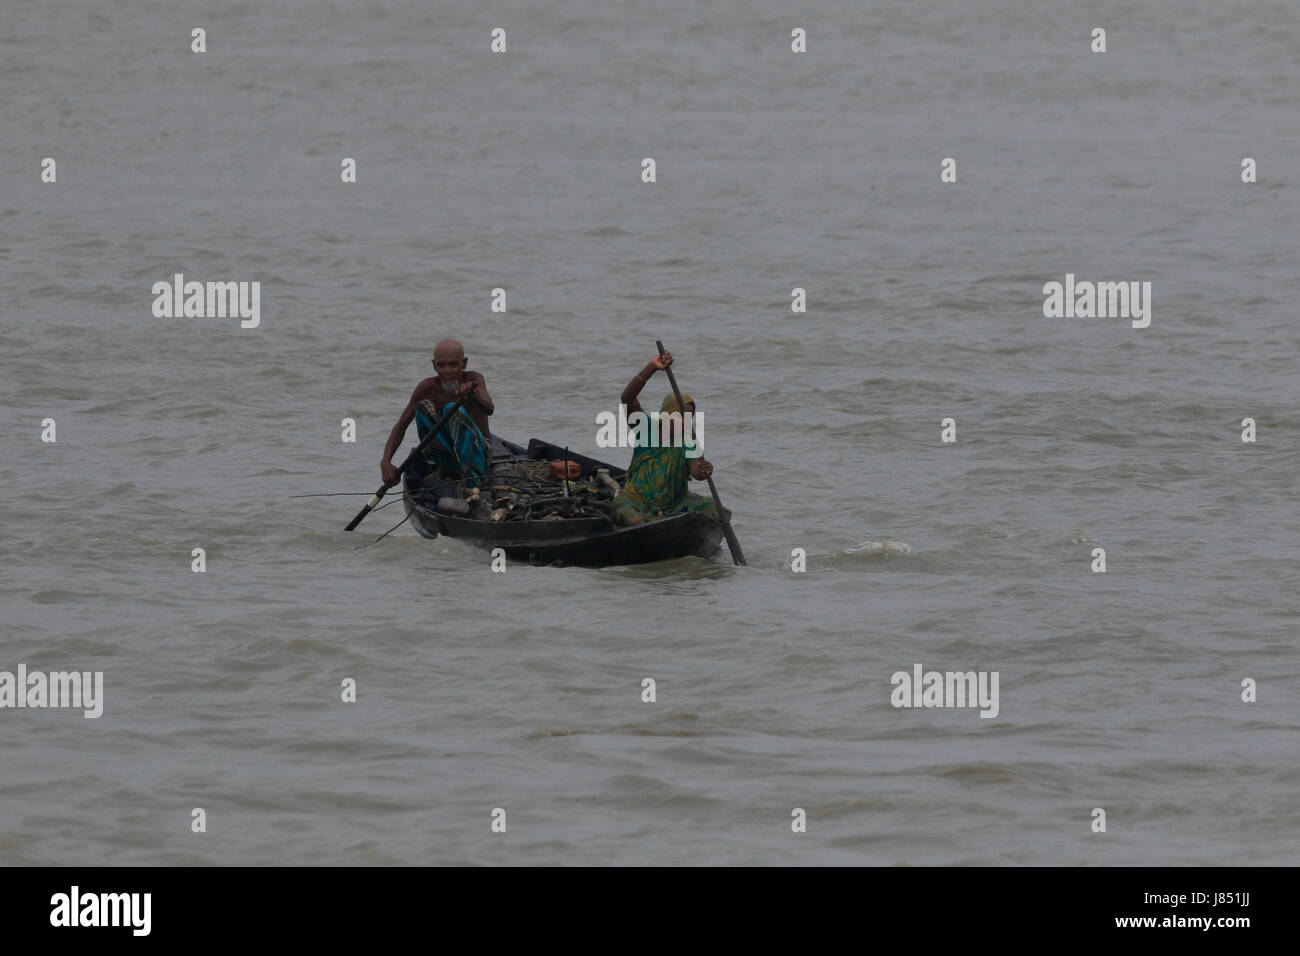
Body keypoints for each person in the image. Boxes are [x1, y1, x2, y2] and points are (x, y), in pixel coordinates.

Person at [611, 351, 719, 526]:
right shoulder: (645, 428)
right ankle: (646, 525)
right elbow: (627, 397)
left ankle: (664, 521)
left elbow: (696, 471)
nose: (685, 420)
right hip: (637, 500)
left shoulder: (688, 442)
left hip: (673, 506)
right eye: (680, 414)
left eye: (689, 416)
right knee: (623, 508)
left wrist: (704, 471)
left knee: (713, 506)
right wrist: (652, 368)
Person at [379, 339, 495, 489]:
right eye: (441, 365)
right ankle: (445, 468)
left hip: (480, 455)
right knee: (421, 407)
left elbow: (489, 408)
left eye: (454, 364)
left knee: (451, 409)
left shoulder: (474, 380)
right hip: (450, 458)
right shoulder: (428, 388)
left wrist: (473, 395)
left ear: (464, 363)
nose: (447, 370)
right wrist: (385, 462)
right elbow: (401, 426)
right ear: (434, 365)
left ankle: (473, 482)